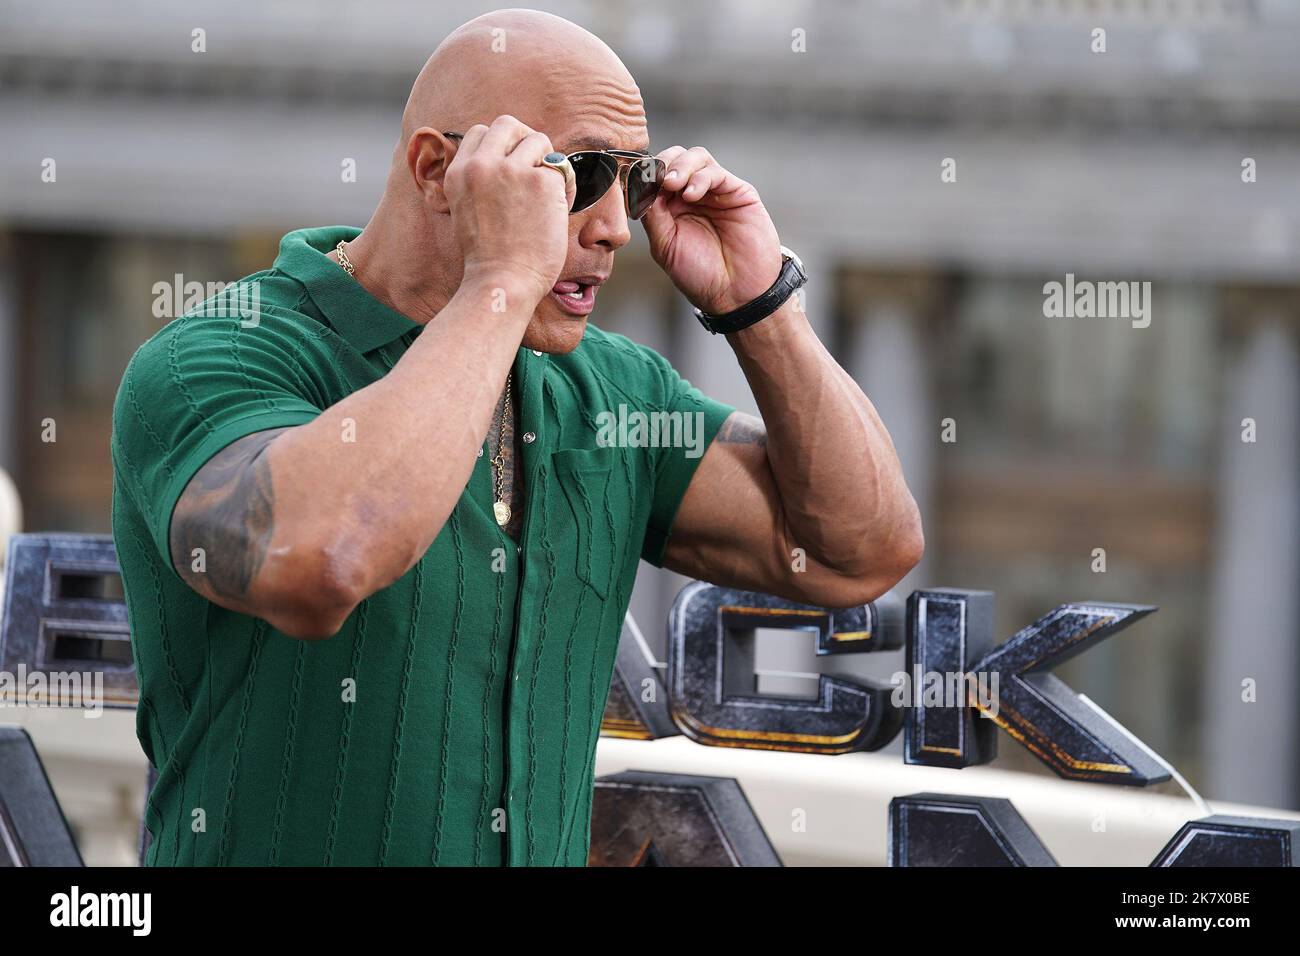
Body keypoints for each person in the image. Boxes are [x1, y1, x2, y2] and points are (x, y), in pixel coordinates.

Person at [110, 8, 923, 866]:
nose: (614, 226)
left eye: (634, 184)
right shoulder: (220, 355)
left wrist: (762, 309)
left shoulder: (607, 391)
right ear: (437, 170)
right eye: (575, 175)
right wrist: (500, 281)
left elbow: (855, 552)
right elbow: (318, 558)